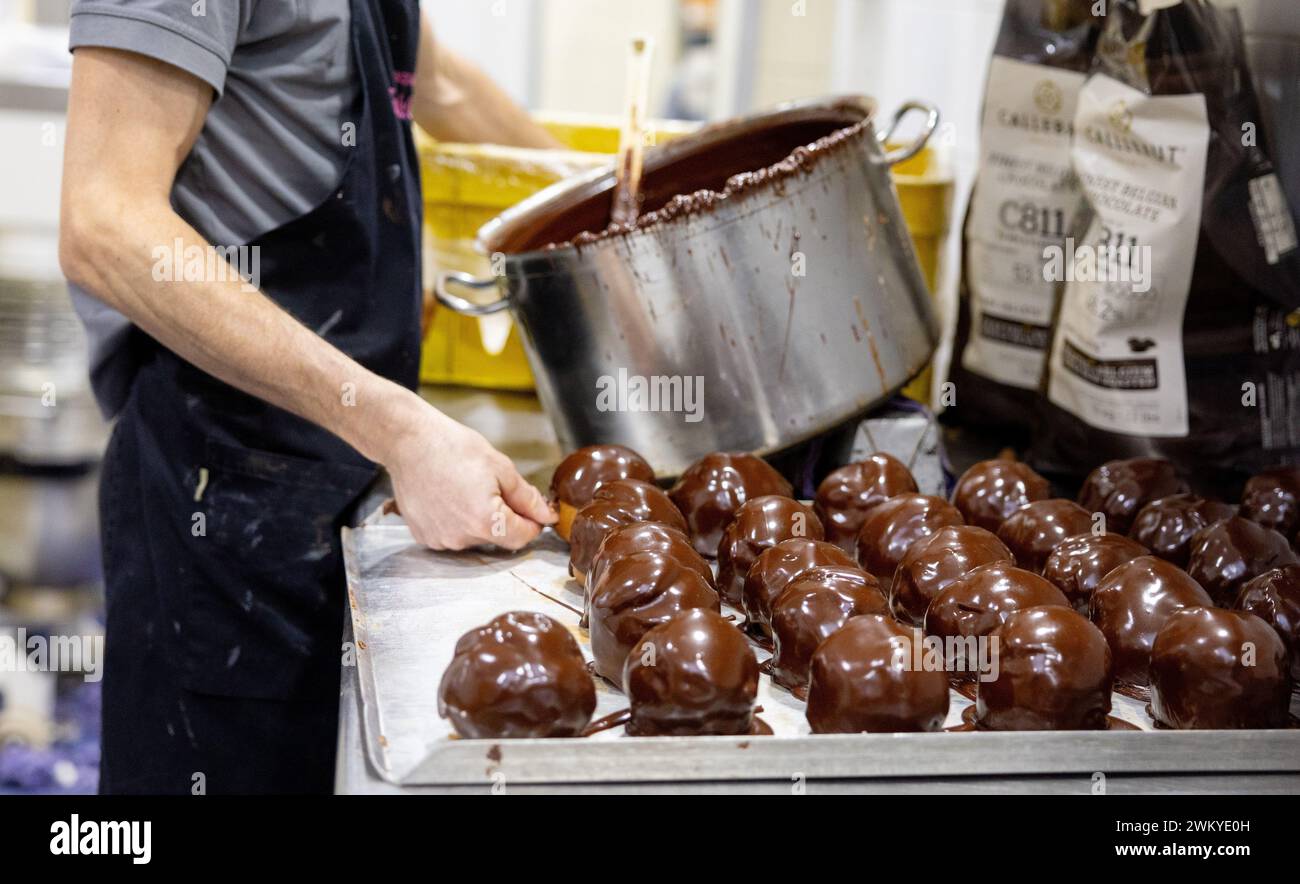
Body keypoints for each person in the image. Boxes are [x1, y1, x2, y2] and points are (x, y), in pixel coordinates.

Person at [58, 0, 558, 794]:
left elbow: (449, 87)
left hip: (334, 477)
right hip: (219, 502)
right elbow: (104, 224)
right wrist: (398, 429)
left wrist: (605, 217)